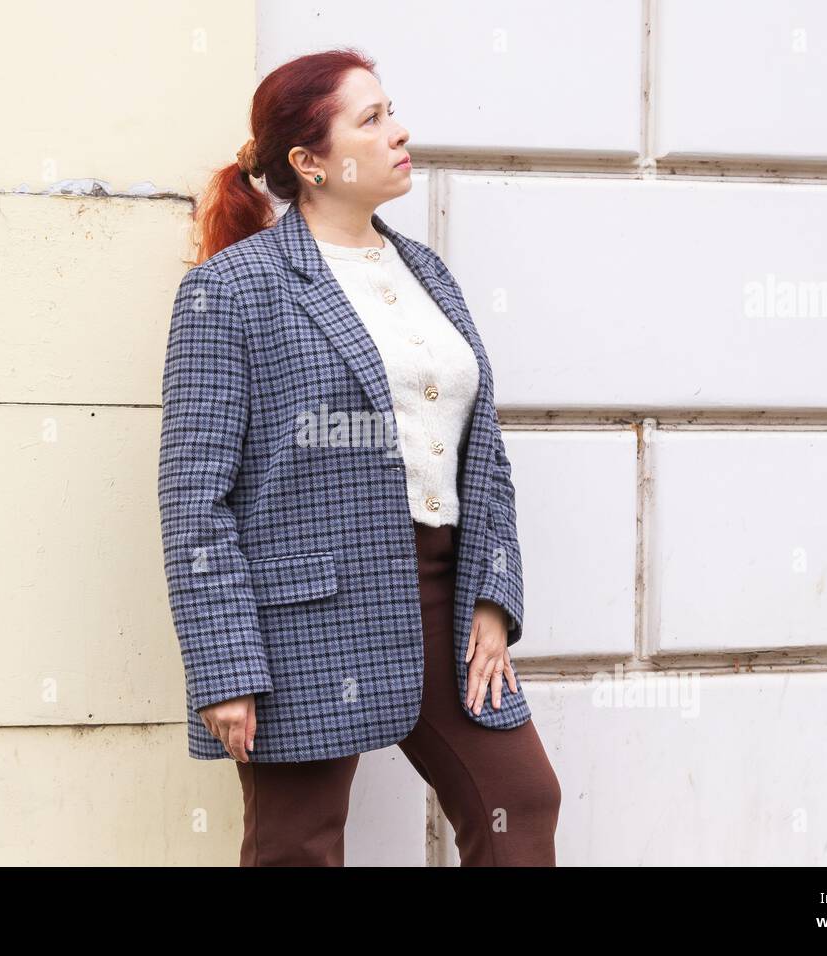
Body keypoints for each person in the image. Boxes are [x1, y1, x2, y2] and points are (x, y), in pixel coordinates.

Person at [158, 47, 560, 866]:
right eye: (370, 120)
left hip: (444, 596)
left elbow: (481, 449)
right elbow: (193, 496)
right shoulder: (232, 290)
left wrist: (492, 593)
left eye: (391, 110)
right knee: (297, 846)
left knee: (519, 800)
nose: (398, 130)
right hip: (305, 618)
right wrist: (226, 664)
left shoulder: (427, 274)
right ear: (309, 162)